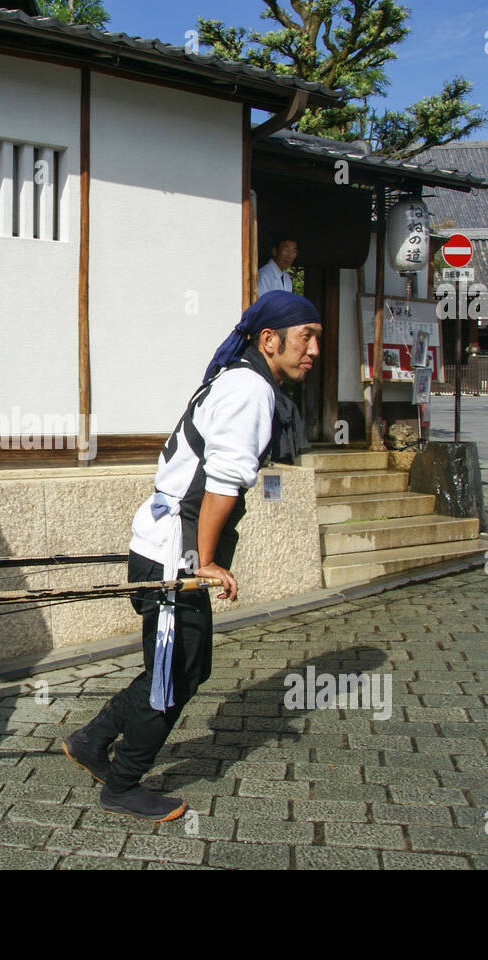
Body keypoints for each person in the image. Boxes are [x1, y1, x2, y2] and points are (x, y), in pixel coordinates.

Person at [62, 290, 321, 821]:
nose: (314, 349)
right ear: (269, 341)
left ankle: (91, 742)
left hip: (163, 544)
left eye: (317, 337)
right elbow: (221, 483)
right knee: (176, 671)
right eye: (306, 337)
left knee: (180, 664)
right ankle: (122, 784)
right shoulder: (249, 388)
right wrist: (204, 558)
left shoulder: (242, 379)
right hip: (173, 553)